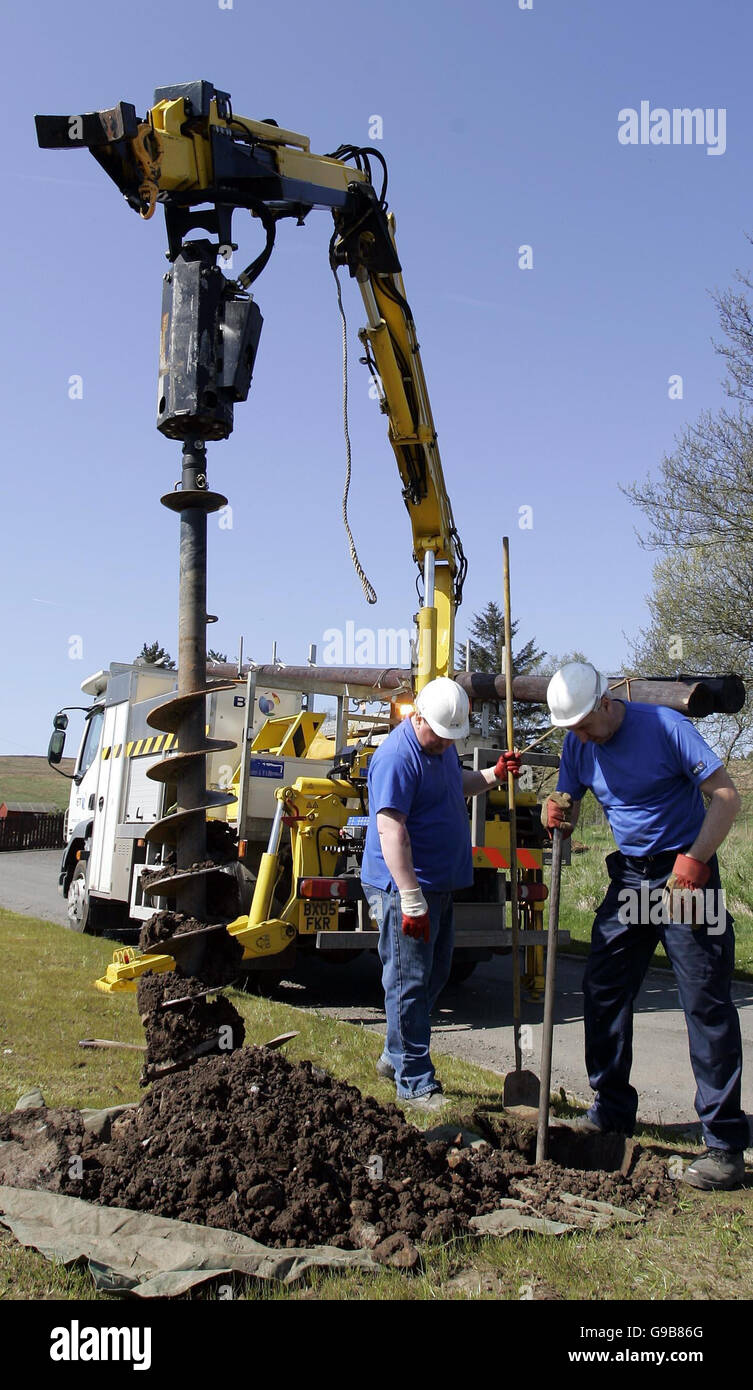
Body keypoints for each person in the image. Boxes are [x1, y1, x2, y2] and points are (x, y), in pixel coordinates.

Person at [543, 660, 748, 1189]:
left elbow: (727, 798)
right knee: (604, 987)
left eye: (586, 725)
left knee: (704, 999)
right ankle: (610, 1112)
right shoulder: (579, 744)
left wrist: (696, 861)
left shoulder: (665, 727)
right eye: (573, 731)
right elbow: (568, 797)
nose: (583, 738)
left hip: (685, 874)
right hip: (633, 880)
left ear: (608, 703)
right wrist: (556, 809)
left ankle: (724, 1147)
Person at [361, 676, 521, 1111]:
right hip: (404, 887)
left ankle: (396, 1056)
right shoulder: (397, 756)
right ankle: (415, 1081)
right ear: (417, 717)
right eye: (438, 735)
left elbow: (456, 785)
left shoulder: (442, 748)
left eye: (452, 737)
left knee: (436, 974)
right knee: (408, 981)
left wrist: (492, 775)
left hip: (440, 883)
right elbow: (391, 830)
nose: (444, 743)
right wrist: (411, 898)